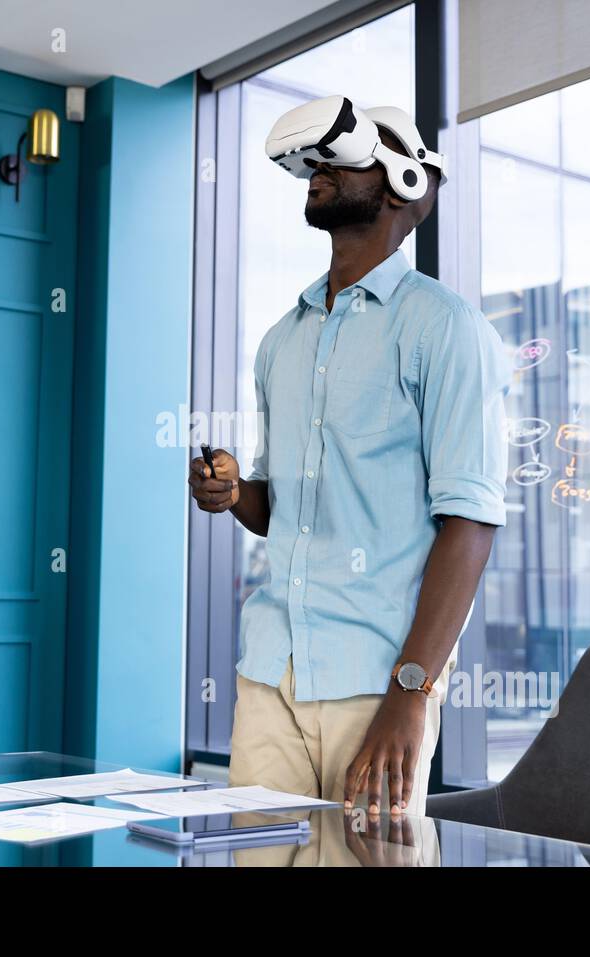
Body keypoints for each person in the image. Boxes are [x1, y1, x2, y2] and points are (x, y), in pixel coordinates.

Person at [189, 97, 510, 819]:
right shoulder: (282, 340)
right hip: (269, 673)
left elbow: (471, 525)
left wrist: (411, 694)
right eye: (317, 161)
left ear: (402, 183)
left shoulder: (447, 329)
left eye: (344, 156)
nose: (320, 168)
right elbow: (284, 513)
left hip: (377, 682)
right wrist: (234, 490)